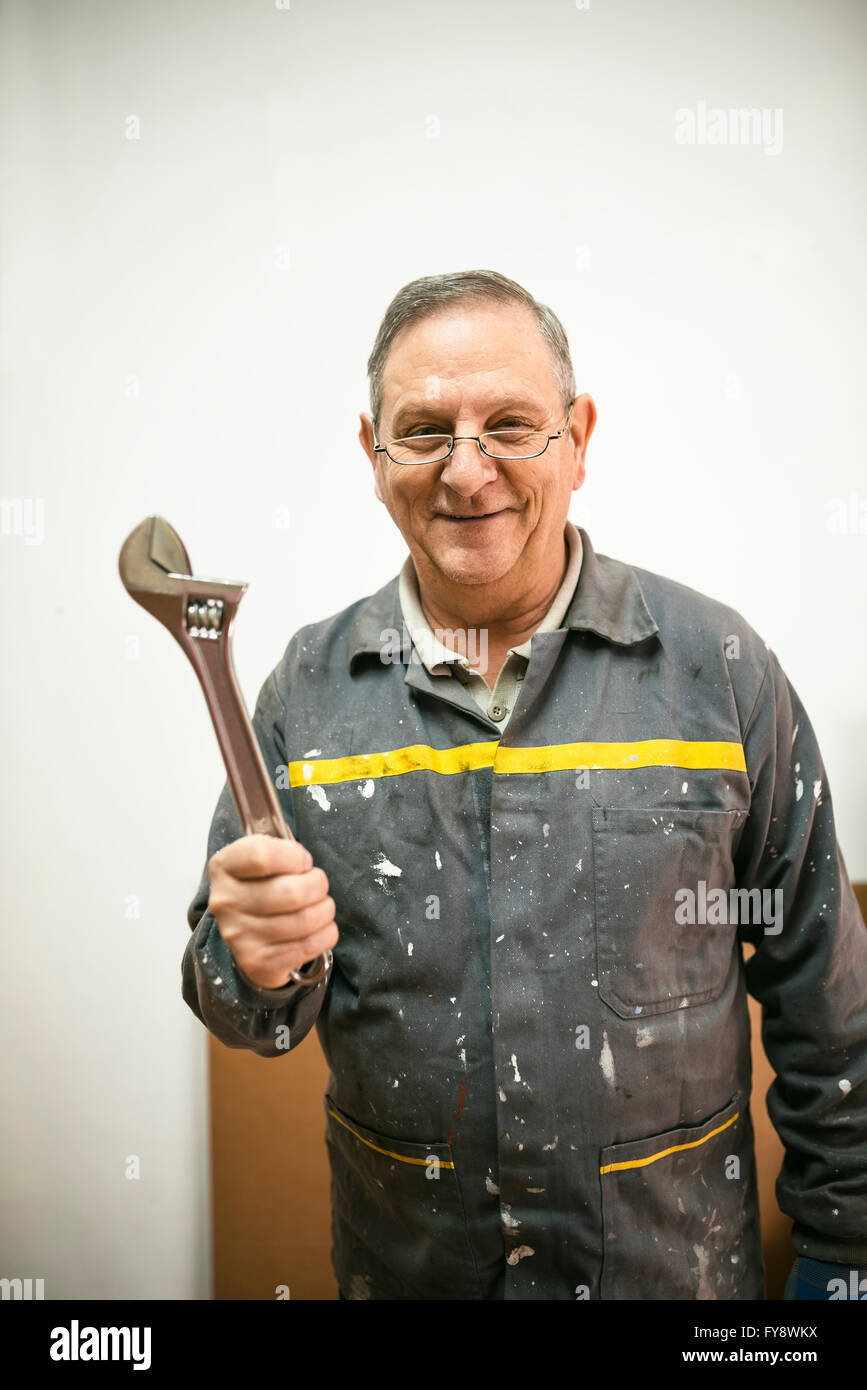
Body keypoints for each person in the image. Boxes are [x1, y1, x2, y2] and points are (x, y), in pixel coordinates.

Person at [183, 269, 867, 1300]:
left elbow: (828, 1000)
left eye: (510, 423)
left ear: (578, 439)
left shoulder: (718, 671)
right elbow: (251, 1015)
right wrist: (250, 960)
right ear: (372, 457)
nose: (468, 472)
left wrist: (845, 1259)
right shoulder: (303, 700)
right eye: (423, 432)